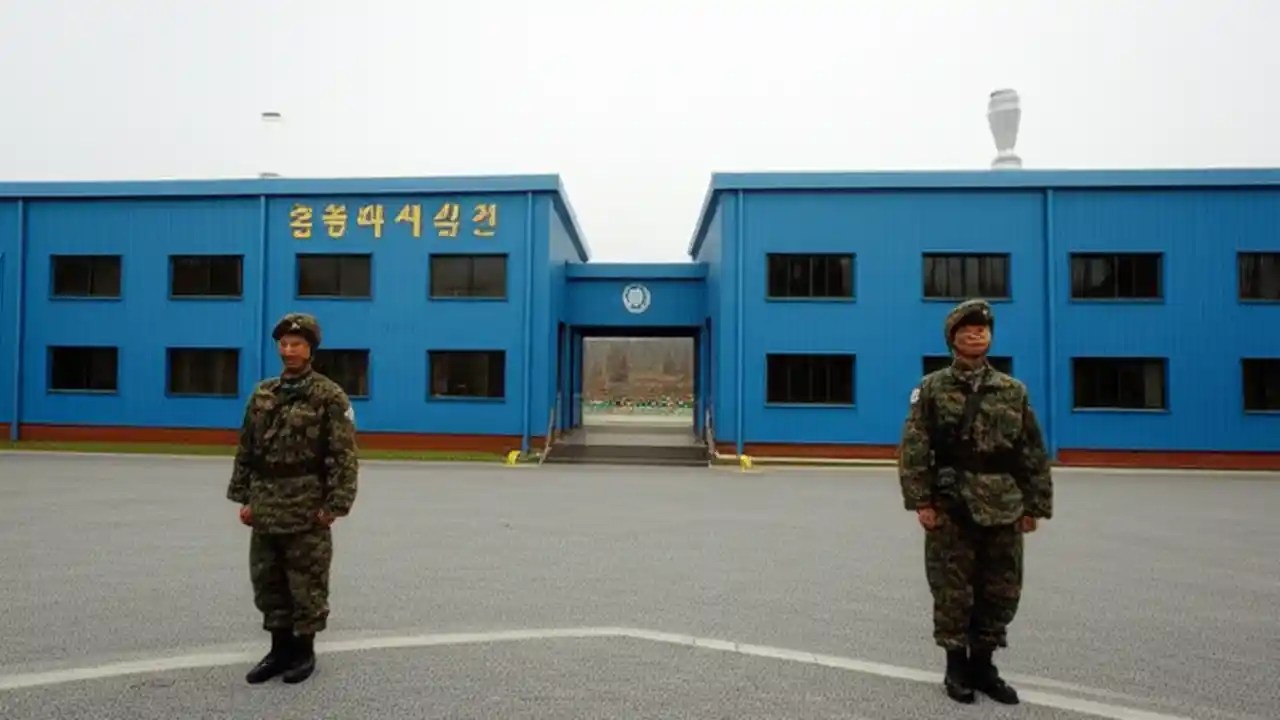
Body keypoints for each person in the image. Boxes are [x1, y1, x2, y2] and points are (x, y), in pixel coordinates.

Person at [897, 298, 1053, 705]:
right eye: (967, 329)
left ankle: (984, 666)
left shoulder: (1012, 391)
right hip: (952, 504)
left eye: (982, 329)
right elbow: (914, 448)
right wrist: (921, 501)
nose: (976, 334)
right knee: (953, 589)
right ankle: (956, 667)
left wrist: (1035, 505)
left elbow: (1031, 450)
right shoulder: (932, 389)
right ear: (953, 338)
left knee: (1000, 588)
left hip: (1003, 503)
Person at [226, 312, 359, 685]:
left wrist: (335, 505)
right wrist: (244, 497)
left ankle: (304, 651)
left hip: (306, 502)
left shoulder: (328, 396)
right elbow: (247, 449)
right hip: (267, 500)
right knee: (268, 579)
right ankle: (278, 649)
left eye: (296, 344)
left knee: (306, 581)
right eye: (283, 344)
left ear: (310, 349)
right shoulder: (263, 393)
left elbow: (343, 455)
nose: (289, 351)